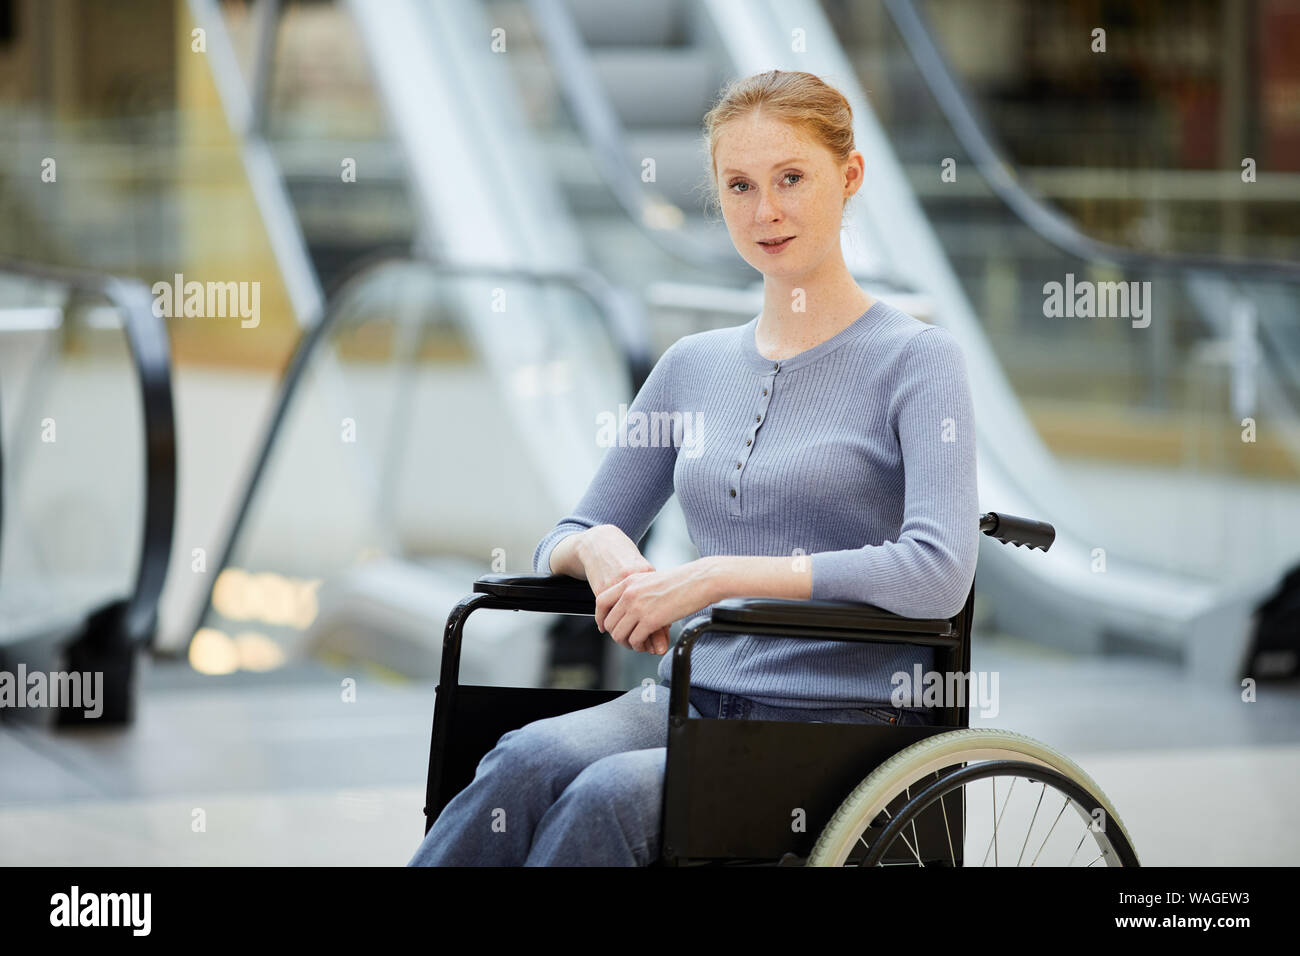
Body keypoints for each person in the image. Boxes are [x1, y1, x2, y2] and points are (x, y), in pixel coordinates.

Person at [409, 69, 979, 867]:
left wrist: (712, 577)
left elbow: (938, 573)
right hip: (690, 698)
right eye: (739, 186)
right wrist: (599, 548)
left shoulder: (919, 362)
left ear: (849, 178)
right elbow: (567, 533)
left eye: (791, 179)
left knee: (606, 801)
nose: (765, 211)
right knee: (521, 761)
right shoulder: (693, 365)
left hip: (841, 723)